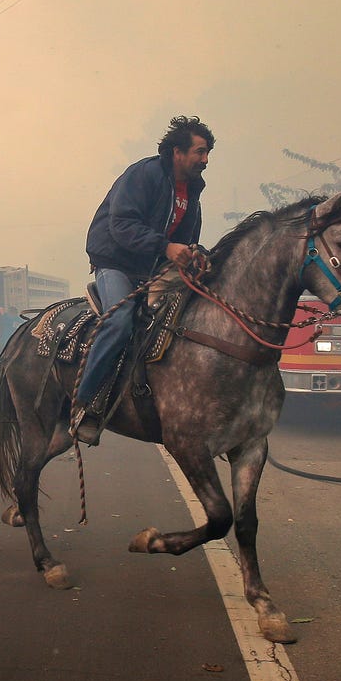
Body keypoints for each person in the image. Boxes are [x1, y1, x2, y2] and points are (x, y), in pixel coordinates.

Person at [71, 115, 214, 446]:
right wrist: (165, 247)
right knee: (121, 321)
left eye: (208, 153)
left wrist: (195, 254)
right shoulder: (144, 174)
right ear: (177, 152)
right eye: (200, 152)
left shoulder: (191, 189)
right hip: (116, 263)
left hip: (153, 267)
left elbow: (188, 236)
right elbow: (120, 225)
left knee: (194, 313)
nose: (205, 160)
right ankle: (85, 403)